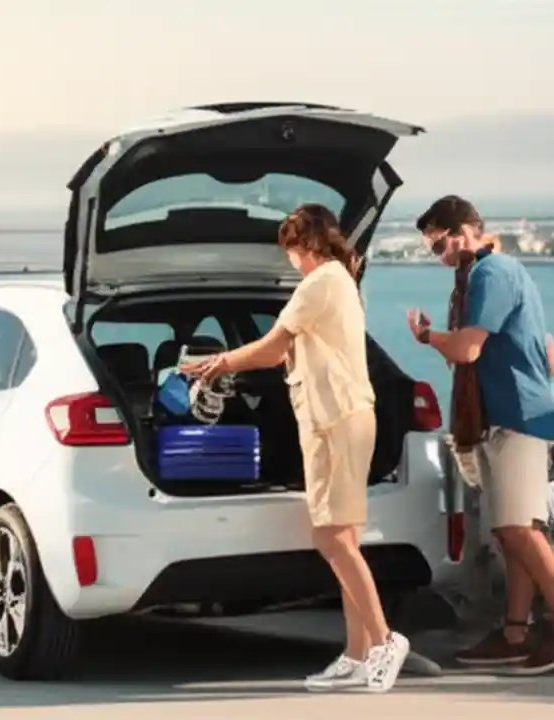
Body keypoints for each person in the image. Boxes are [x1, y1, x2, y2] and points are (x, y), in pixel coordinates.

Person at [181, 204, 410, 693]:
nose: (291, 260)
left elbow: (270, 347)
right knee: (344, 539)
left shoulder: (320, 282)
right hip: (345, 418)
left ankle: (385, 640)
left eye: (290, 249)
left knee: (332, 540)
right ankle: (356, 653)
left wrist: (216, 363)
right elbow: (286, 352)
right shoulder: (341, 280)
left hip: (334, 422)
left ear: (303, 245)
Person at [407, 195, 554, 674]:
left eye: (440, 245)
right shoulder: (487, 275)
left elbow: (466, 349)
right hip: (502, 418)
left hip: (518, 419)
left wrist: (427, 337)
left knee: (518, 529)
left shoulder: (491, 273)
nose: (441, 257)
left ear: (463, 231)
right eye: (434, 250)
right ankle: (514, 633)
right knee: (512, 533)